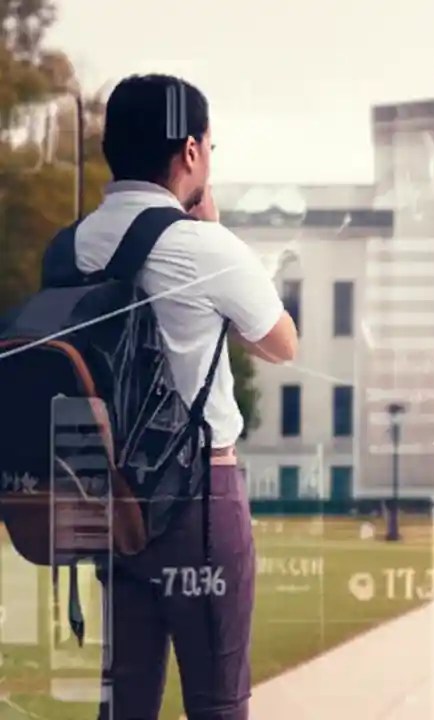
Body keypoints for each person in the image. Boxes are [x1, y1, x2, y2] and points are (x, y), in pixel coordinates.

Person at [77, 74, 299, 720]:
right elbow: (282, 343)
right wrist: (216, 232)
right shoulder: (202, 246)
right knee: (216, 700)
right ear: (192, 152)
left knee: (125, 703)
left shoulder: (73, 246)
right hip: (199, 498)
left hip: (110, 503)